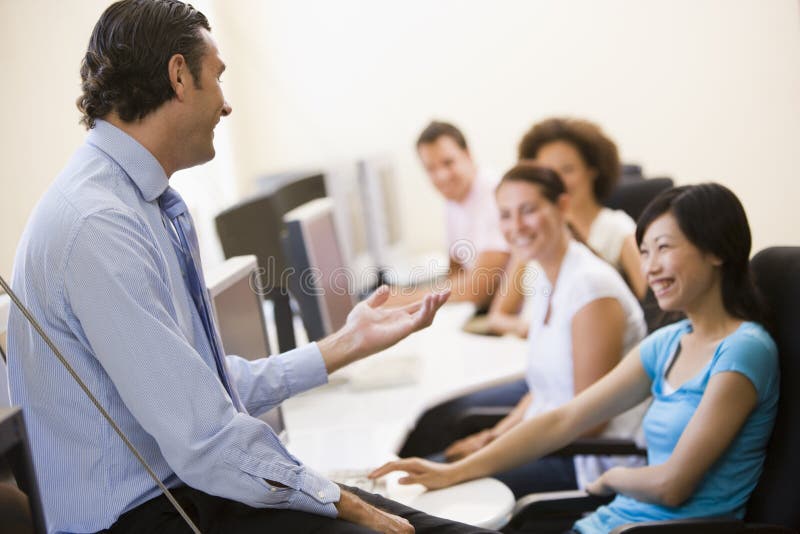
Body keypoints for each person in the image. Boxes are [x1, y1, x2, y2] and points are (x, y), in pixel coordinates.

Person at [6, 2, 492, 533]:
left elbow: (203, 392)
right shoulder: (99, 224)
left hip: (187, 490)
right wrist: (342, 501)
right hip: (149, 515)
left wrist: (344, 345)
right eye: (218, 76)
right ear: (178, 76)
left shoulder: (136, 203)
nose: (226, 103)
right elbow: (205, 434)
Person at [373, 183, 779, 534]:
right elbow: (564, 419)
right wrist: (454, 472)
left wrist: (613, 478)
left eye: (664, 248)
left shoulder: (743, 350)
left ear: (715, 250)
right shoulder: (669, 343)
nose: (650, 267)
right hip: (609, 523)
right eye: (644, 252)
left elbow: (672, 486)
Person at [399, 164, 646, 497]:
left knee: (428, 492)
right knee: (424, 472)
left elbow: (589, 421)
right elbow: (544, 391)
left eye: (528, 210)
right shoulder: (545, 274)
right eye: (505, 215)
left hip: (587, 461)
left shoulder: (591, 288)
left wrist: (483, 458)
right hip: (553, 442)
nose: (516, 226)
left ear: (562, 206)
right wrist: (493, 436)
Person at [488, 118, 646, 338]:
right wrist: (531, 328)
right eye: (547, 171)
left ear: (592, 170)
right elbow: (497, 316)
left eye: (568, 169)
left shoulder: (616, 229)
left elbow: (652, 307)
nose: (557, 180)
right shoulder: (533, 235)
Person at [389, 121, 510, 310]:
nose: (442, 176)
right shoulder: (454, 199)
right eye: (431, 169)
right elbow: (455, 269)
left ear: (468, 155)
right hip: (480, 309)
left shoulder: (496, 195)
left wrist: (401, 298)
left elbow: (479, 288)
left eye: (448, 163)